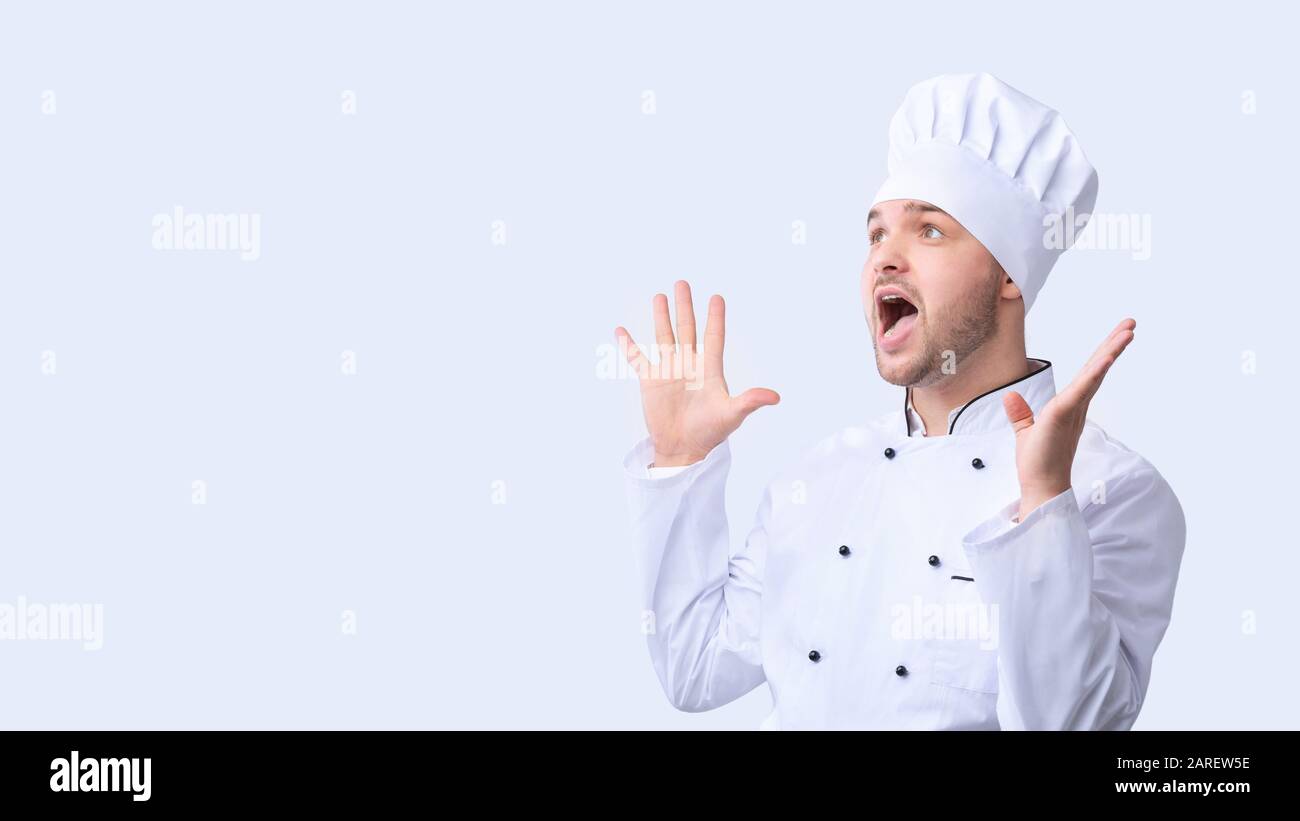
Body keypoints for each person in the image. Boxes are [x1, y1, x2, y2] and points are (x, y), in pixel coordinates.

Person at [613, 73, 1185, 730]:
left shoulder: (1115, 491)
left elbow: (1075, 723)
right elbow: (697, 669)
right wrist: (679, 459)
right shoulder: (818, 478)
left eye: (930, 232)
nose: (886, 257)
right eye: (876, 234)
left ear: (1008, 273)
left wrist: (1045, 508)